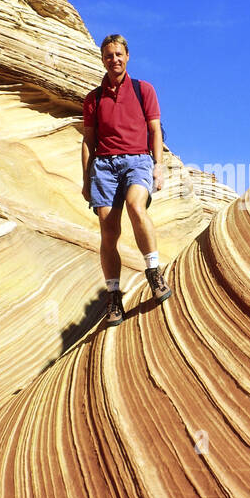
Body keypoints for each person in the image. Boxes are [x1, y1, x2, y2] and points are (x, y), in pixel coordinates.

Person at [81, 34, 172, 325]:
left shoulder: (143, 89)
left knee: (136, 206)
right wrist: (86, 179)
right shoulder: (93, 99)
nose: (114, 60)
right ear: (103, 59)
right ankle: (114, 296)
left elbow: (155, 130)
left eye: (119, 54)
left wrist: (158, 166)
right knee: (109, 233)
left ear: (127, 56)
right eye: (109, 55)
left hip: (137, 160)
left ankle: (154, 272)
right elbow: (88, 141)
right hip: (104, 167)